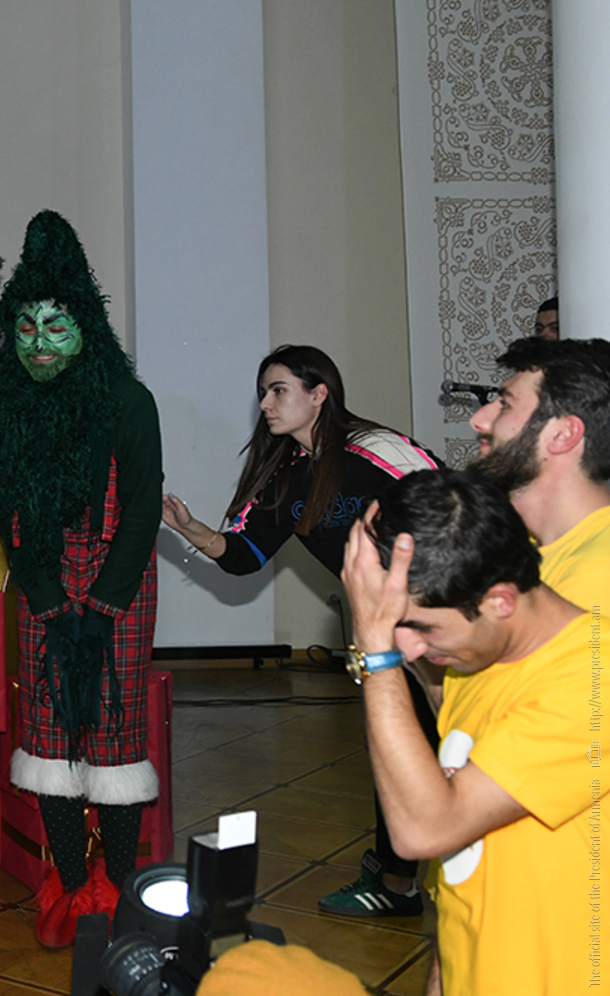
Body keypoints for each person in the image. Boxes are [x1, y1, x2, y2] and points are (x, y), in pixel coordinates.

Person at [158, 345, 439, 918]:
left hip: (441, 616)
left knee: (449, 744)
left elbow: (449, 505)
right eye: (262, 392)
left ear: (319, 394)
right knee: (396, 749)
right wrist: (188, 528)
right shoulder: (285, 474)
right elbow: (241, 555)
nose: (264, 403)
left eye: (277, 390)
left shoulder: (375, 450)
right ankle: (399, 877)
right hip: (385, 633)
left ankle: (413, 875)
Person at [0, 210, 161, 950]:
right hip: (45, 581)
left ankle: (118, 884)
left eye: (57, 326)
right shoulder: (0, 411)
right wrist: (45, 598)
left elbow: (141, 511)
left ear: (88, 329)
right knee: (47, 734)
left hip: (120, 581)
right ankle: (72, 885)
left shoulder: (129, 403)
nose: (40, 343)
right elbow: (10, 514)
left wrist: (102, 607)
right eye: (27, 328)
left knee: (112, 734)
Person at [342, 469, 595, 996]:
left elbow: (425, 831)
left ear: (500, 600)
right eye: (396, 628)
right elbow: (465, 881)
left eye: (421, 626)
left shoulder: (593, 679)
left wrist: (377, 653)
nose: (410, 649)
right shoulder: (473, 659)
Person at [468, 336, 610, 611]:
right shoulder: (513, 546)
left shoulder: (597, 571)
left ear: (563, 434)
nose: (479, 420)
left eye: (506, 405)